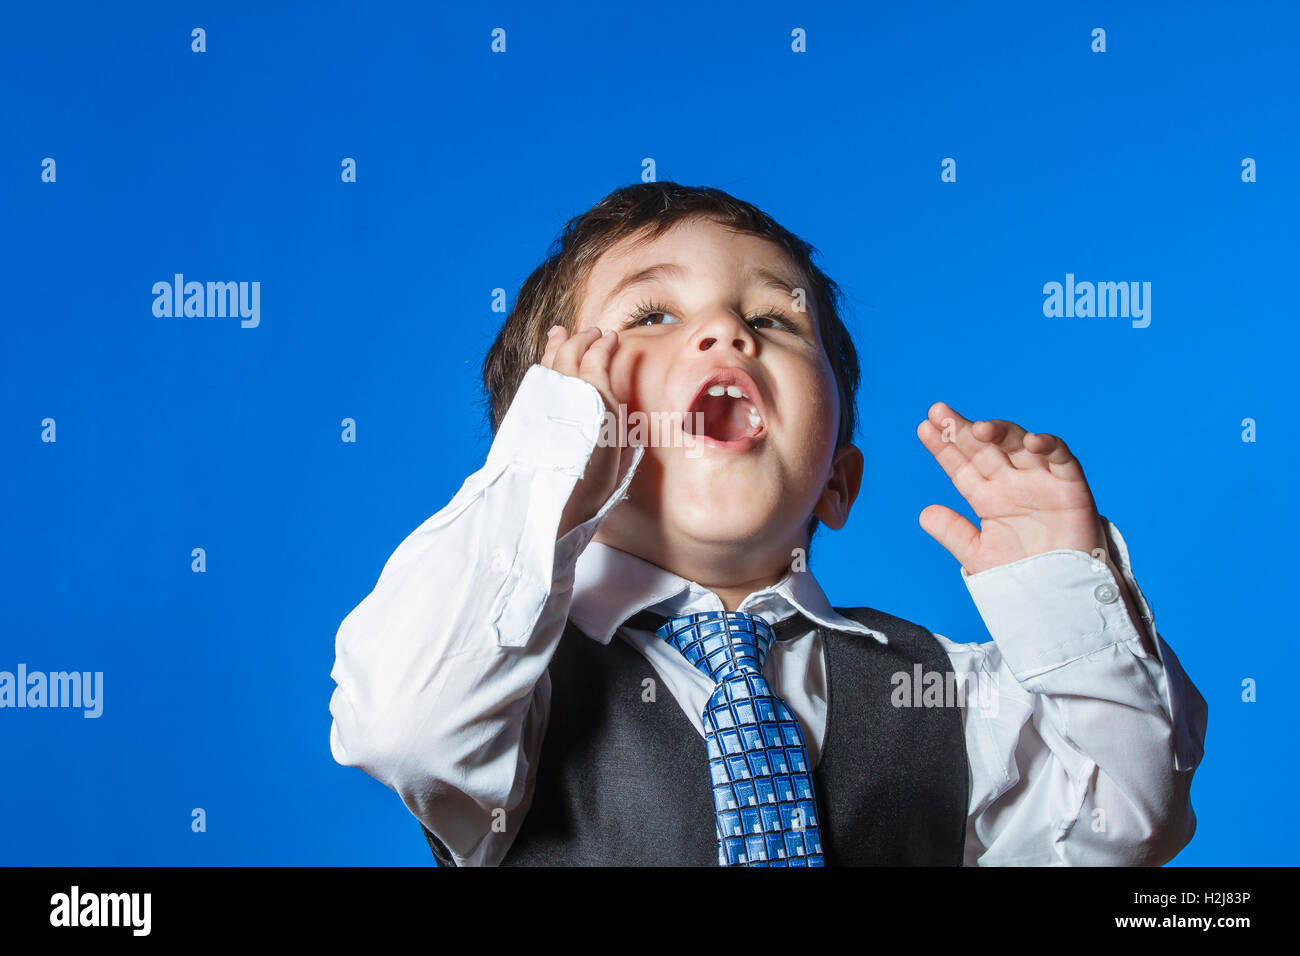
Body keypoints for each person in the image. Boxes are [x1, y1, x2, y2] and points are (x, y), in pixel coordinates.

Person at [328, 181, 1207, 866]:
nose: (724, 332)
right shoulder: (507, 692)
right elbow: (400, 724)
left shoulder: (946, 692)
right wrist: (544, 469)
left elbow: (1125, 825)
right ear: (558, 422)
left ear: (837, 481)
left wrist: (1062, 583)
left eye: (773, 319)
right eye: (653, 315)